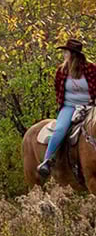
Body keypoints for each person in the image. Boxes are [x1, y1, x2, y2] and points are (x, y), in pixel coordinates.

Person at [37, 39, 96, 177]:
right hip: (69, 107)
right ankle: (47, 160)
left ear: (73, 54)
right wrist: (64, 104)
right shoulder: (62, 71)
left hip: (90, 106)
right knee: (60, 129)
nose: (64, 54)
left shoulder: (91, 69)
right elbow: (58, 89)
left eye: (66, 52)